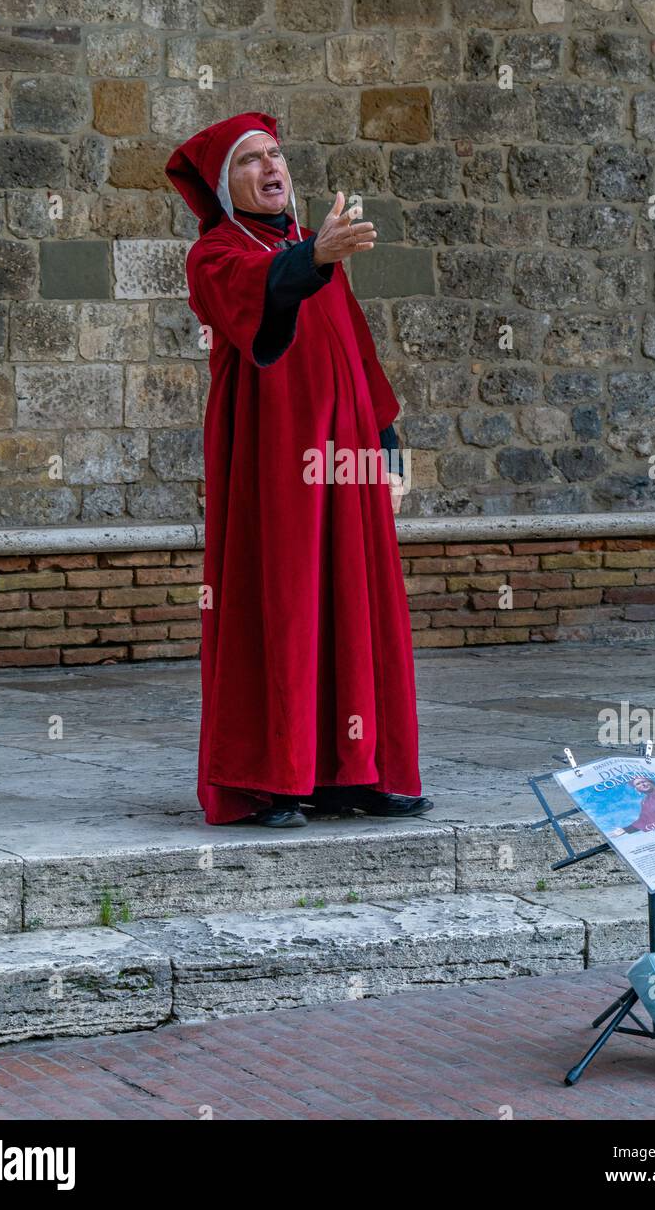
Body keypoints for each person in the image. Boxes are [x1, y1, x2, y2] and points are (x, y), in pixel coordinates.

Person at [165, 112, 432, 828]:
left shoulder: (316, 252)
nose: (270, 166)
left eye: (276, 153)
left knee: (357, 603)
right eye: (250, 160)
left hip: (345, 463)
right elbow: (265, 294)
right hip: (273, 467)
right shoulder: (217, 255)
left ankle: (356, 773)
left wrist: (388, 450)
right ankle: (271, 779)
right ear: (227, 187)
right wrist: (313, 257)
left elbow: (359, 355)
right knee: (281, 604)